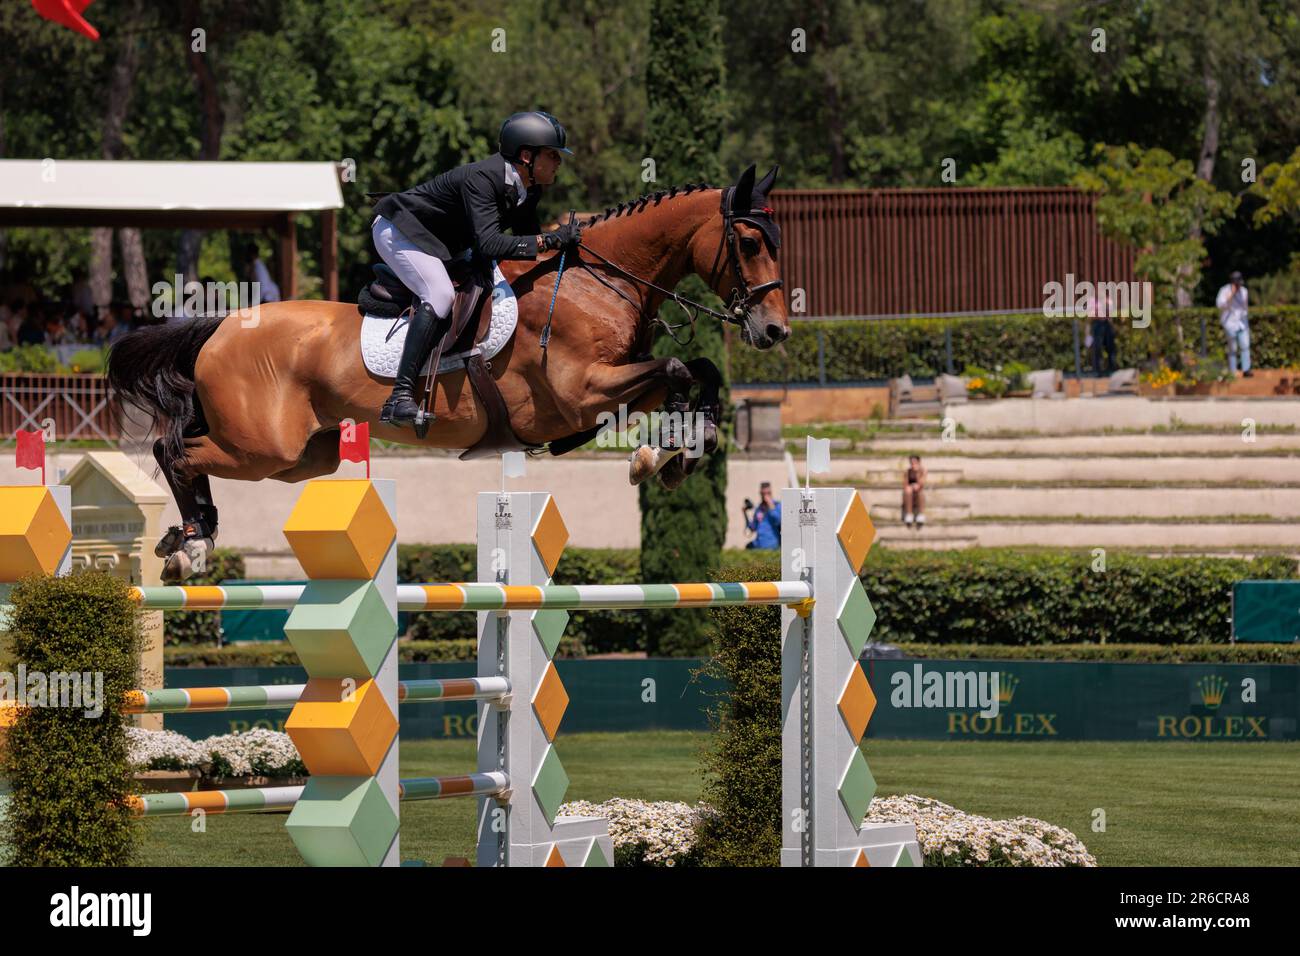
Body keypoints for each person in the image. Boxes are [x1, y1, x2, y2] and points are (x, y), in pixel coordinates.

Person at [370, 110, 579, 428]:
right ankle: (398, 398)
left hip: (440, 241)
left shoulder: (529, 189)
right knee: (439, 293)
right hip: (400, 231)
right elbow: (490, 244)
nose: (558, 162)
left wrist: (564, 248)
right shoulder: (483, 178)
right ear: (526, 155)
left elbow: (525, 245)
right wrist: (550, 239)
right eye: (552, 155)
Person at [1216, 270, 1251, 378]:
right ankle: (1233, 371)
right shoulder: (1224, 290)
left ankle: (1246, 370)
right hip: (1229, 324)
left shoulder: (1244, 291)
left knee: (1245, 345)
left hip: (1242, 323)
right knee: (1233, 349)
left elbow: (1244, 307)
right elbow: (1220, 305)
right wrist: (1231, 294)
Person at [743, 482, 782, 549]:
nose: (766, 496)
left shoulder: (777, 506)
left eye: (768, 493)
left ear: (771, 493)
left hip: (772, 545)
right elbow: (752, 528)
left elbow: (779, 521)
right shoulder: (759, 509)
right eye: (763, 494)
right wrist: (745, 513)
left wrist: (771, 506)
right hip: (759, 545)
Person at [903, 455, 926, 529]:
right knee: (908, 490)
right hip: (909, 493)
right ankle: (909, 514)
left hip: (918, 492)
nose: (913, 464)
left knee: (919, 491)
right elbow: (905, 484)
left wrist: (917, 473)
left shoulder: (923, 470)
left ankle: (921, 514)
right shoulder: (907, 471)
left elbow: (922, 484)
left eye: (915, 462)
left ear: (919, 462)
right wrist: (911, 487)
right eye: (911, 462)